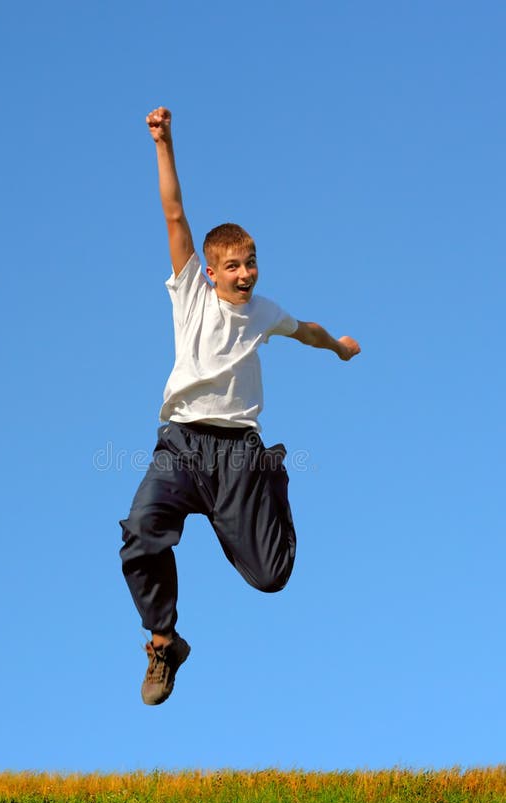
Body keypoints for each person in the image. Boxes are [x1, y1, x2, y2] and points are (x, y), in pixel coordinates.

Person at [120, 106, 360, 706]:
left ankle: (272, 477)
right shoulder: (191, 294)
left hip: (237, 455)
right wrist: (164, 143)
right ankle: (163, 641)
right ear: (211, 270)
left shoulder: (263, 311)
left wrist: (337, 348)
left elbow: (304, 329)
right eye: (234, 265)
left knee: (271, 577)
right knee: (141, 532)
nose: (246, 273)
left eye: (251, 262)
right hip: (180, 442)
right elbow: (174, 213)